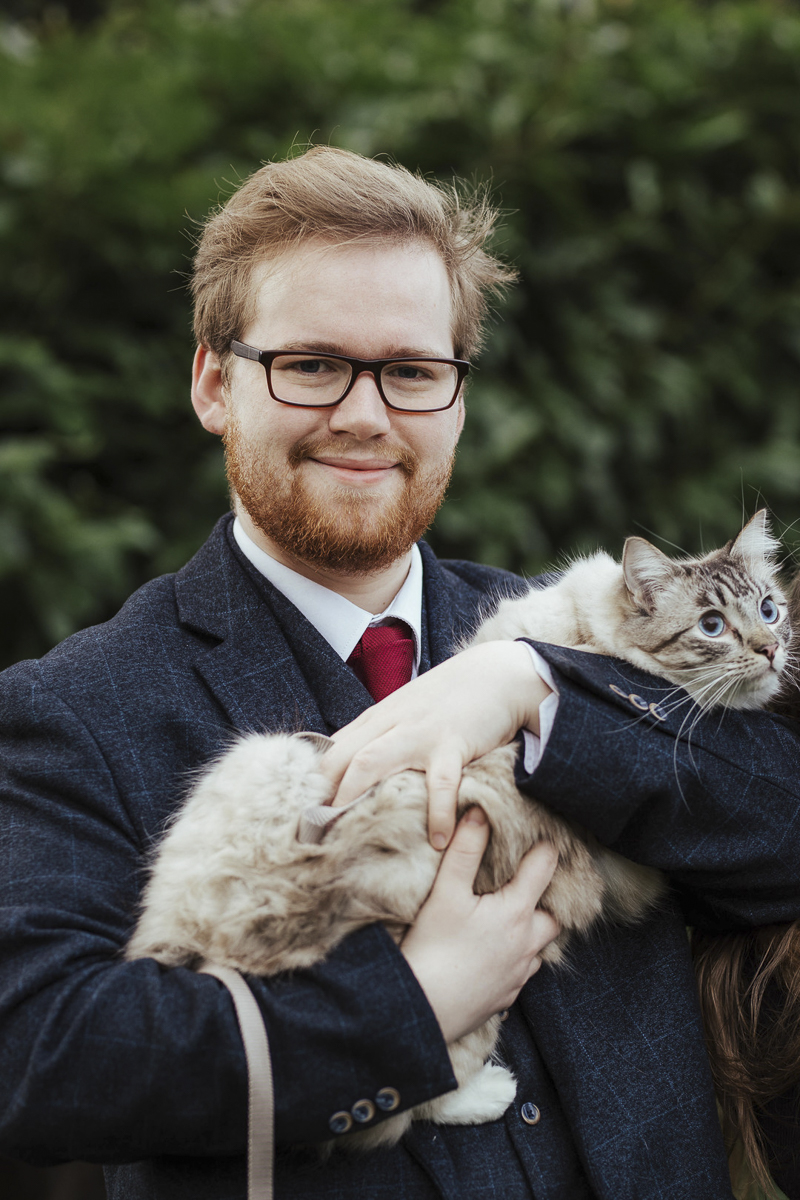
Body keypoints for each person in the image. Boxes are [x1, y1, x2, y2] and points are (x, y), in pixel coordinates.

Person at [0, 146, 798, 1200]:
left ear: (458, 398)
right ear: (212, 383)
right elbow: (41, 1055)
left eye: (411, 371)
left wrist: (534, 692)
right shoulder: (71, 711)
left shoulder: (590, 649)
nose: (365, 415)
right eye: (311, 364)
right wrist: (406, 1010)